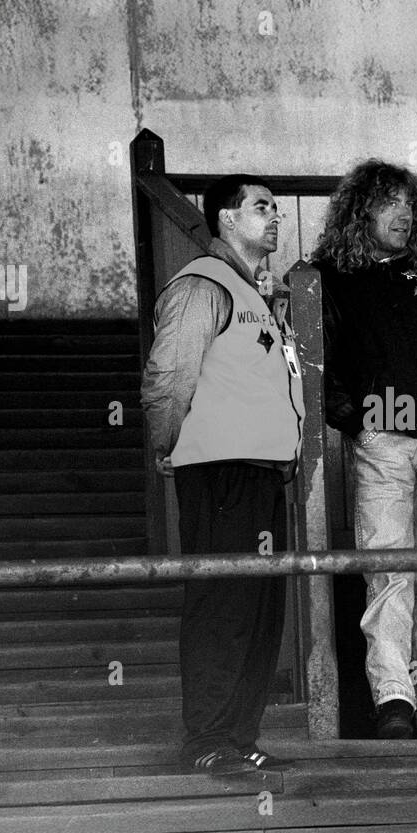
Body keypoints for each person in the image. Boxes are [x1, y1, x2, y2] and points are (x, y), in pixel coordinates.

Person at [141, 174, 304, 774]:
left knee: (261, 612)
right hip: (220, 471)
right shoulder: (201, 285)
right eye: (261, 207)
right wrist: (169, 442)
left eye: (276, 208)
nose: (275, 216)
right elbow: (167, 376)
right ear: (227, 220)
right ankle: (206, 738)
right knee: (221, 604)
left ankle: (239, 737)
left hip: (262, 477)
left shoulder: (255, 293)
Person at [314, 159, 417, 740]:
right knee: (388, 575)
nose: (405, 215)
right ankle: (393, 701)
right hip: (384, 443)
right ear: (361, 211)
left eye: (410, 205)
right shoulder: (329, 276)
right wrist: (361, 423)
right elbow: (319, 367)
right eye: (390, 204)